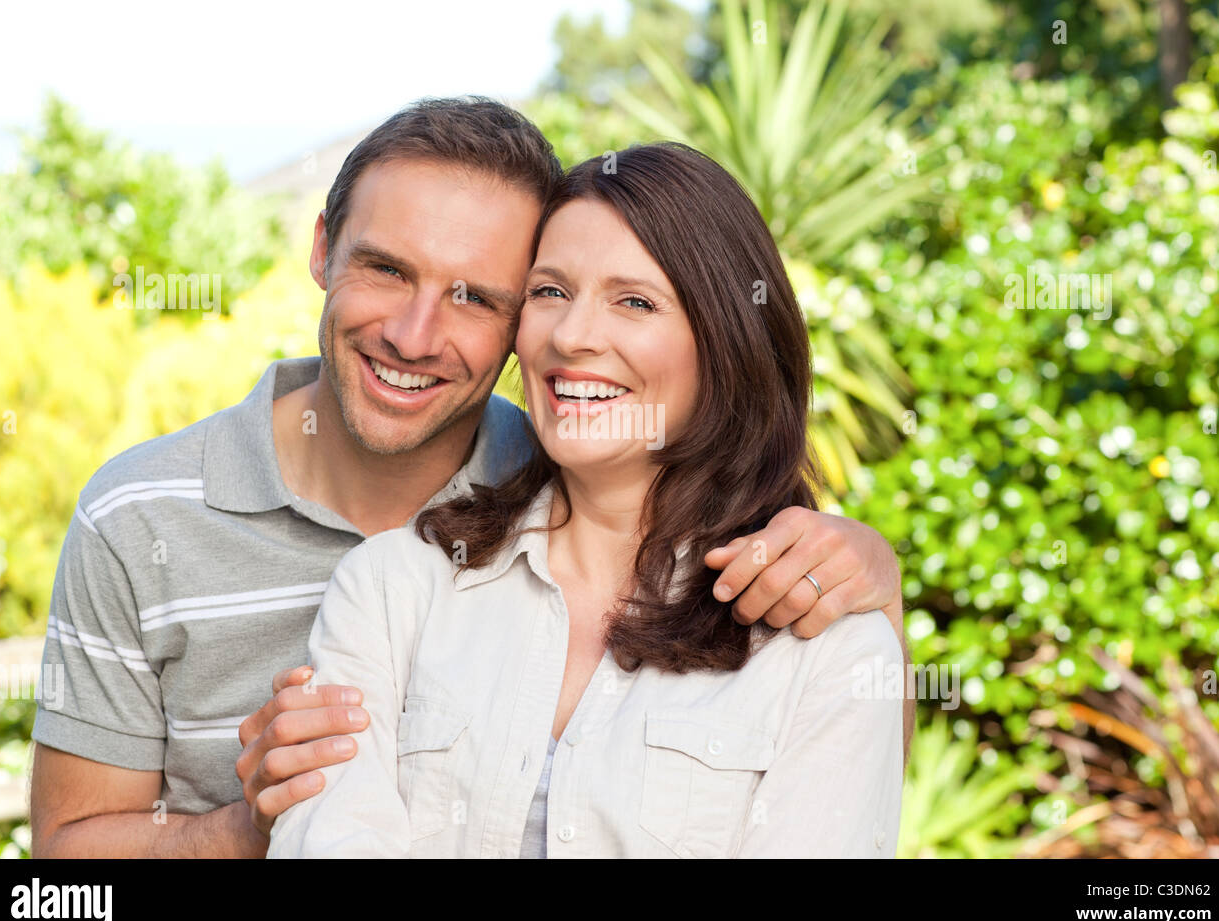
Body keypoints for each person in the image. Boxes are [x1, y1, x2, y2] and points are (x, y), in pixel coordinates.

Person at [29, 98, 911, 858]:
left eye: (477, 296)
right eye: (386, 268)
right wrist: (252, 826)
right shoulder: (147, 518)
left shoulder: (566, 462)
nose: (414, 336)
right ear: (323, 250)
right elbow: (68, 870)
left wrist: (875, 588)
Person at [268, 142, 905, 859]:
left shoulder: (831, 651)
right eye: (550, 292)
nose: (572, 336)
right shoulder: (391, 591)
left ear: (728, 339)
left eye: (634, 302)